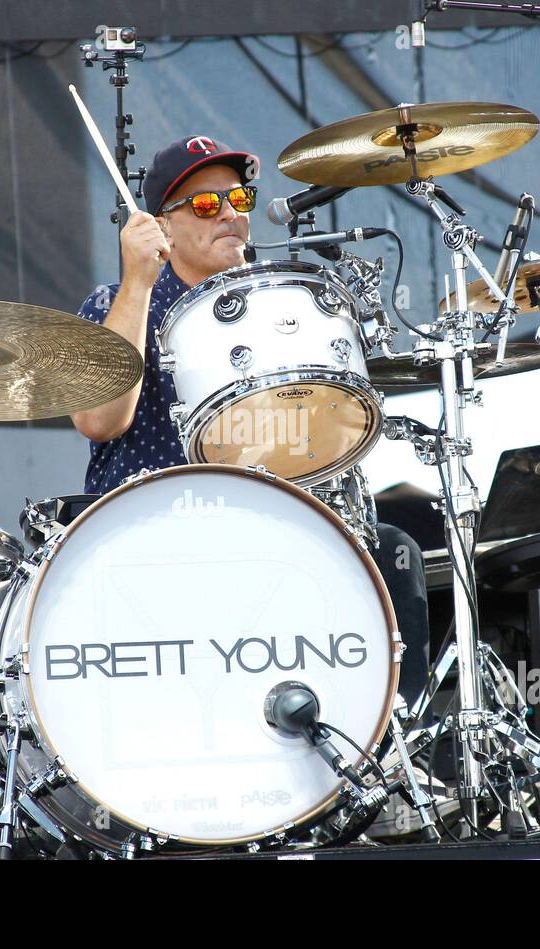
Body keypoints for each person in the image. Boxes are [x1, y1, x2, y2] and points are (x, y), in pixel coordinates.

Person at [71, 135, 429, 705]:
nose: (233, 214)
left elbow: (324, 435)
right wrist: (137, 280)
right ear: (162, 225)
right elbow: (97, 420)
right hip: (153, 534)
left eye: (239, 199)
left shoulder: (276, 304)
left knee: (393, 550)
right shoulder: (115, 302)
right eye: (208, 205)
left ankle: (391, 759)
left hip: (265, 530)